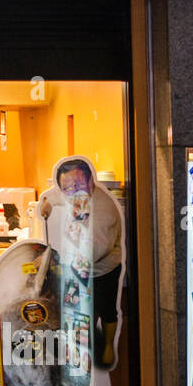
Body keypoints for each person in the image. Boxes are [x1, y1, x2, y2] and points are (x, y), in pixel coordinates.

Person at [38, 157, 124, 368]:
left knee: (106, 309)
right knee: (79, 309)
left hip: (104, 268)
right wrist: (46, 205)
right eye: (67, 187)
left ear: (91, 182)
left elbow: (95, 250)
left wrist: (58, 258)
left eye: (77, 185)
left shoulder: (103, 210)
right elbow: (55, 195)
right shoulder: (75, 193)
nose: (72, 191)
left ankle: (107, 346)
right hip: (79, 262)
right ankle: (80, 347)